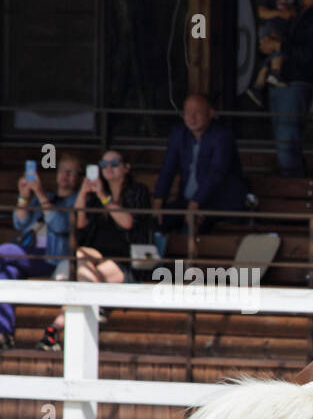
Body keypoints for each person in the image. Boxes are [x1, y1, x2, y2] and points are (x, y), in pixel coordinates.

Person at [37, 149, 151, 351]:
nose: (108, 168)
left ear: (126, 168)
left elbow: (128, 223)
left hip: (127, 260)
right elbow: (79, 223)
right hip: (95, 258)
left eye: (114, 163)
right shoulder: (97, 193)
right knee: (81, 256)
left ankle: (53, 329)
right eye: (103, 164)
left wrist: (104, 197)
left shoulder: (137, 191)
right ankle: (94, 306)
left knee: (85, 283)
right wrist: (83, 192)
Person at [4, 152, 83, 348]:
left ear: (79, 178)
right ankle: (4, 334)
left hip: (52, 257)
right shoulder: (46, 197)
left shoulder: (76, 200)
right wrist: (23, 194)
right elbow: (19, 222)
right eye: (63, 171)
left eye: (71, 173)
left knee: (4, 251)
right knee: (5, 275)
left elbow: (61, 225)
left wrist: (39, 194)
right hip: (28, 255)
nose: (65, 176)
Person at [263, 0, 313, 176]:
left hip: (297, 83)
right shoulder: (296, 9)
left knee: (287, 142)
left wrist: (279, 45)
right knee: (282, 143)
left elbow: (310, 54)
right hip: (278, 81)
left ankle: (292, 188)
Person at [153, 94, 248, 234]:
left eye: (197, 112)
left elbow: (217, 173)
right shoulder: (179, 133)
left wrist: (196, 203)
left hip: (218, 203)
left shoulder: (222, 136)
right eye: (187, 113)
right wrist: (158, 201)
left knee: (190, 229)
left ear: (210, 113)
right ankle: (166, 256)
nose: (191, 117)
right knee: (157, 224)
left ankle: (182, 257)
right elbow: (168, 168)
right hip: (188, 201)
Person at [246, 0, 300, 107]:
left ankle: (258, 85)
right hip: (270, 29)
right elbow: (261, 12)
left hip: (286, 31)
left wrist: (291, 14)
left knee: (275, 54)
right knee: (278, 48)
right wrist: (279, 13)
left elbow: (296, 12)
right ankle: (274, 73)